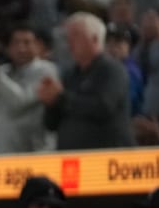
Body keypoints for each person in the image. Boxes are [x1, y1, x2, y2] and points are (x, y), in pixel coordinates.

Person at [39, 12, 134, 149]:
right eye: (68, 36)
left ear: (94, 39)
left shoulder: (112, 70)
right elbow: (51, 125)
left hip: (106, 155)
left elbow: (103, 107)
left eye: (76, 35)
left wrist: (60, 97)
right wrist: (51, 102)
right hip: (72, 156)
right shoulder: (69, 75)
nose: (69, 42)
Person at [0, 27, 57, 154]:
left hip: (32, 156)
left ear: (38, 45)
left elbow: (20, 102)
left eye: (27, 42)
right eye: (16, 43)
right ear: (8, 48)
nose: (21, 48)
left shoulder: (46, 70)